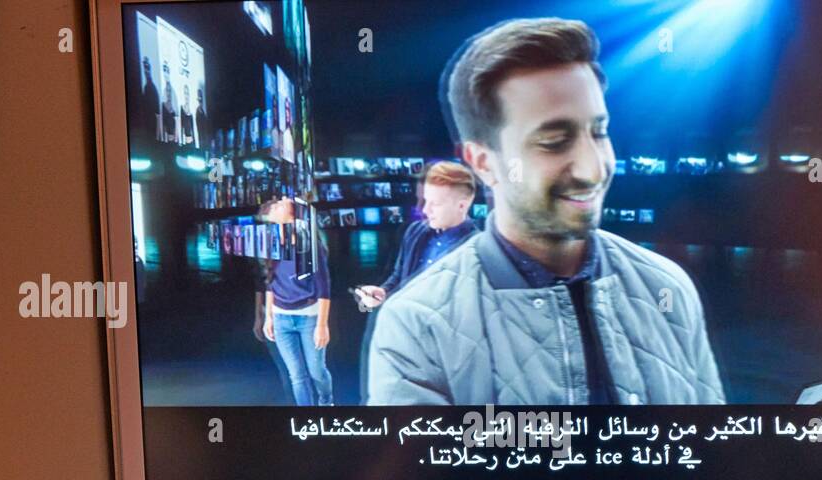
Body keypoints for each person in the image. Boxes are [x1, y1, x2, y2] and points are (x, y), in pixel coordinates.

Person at [366, 18, 725, 406]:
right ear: (482, 162)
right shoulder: (416, 326)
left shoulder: (668, 288)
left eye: (599, 132)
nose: (592, 169)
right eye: (553, 142)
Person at [355, 161, 480, 402]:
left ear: (462, 205)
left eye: (435, 203)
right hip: (400, 343)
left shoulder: (477, 251)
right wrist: (383, 292)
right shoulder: (415, 232)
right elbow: (398, 277)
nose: (425, 210)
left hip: (441, 356)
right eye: (424, 200)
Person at [261, 199, 334, 406]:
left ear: (293, 215)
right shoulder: (271, 244)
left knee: (317, 372)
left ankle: (327, 402)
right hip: (281, 317)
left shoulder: (310, 246)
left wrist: (322, 325)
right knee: (297, 376)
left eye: (282, 204)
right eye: (275, 205)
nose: (276, 206)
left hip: (308, 317)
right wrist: (268, 317)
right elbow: (269, 282)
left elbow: (324, 286)